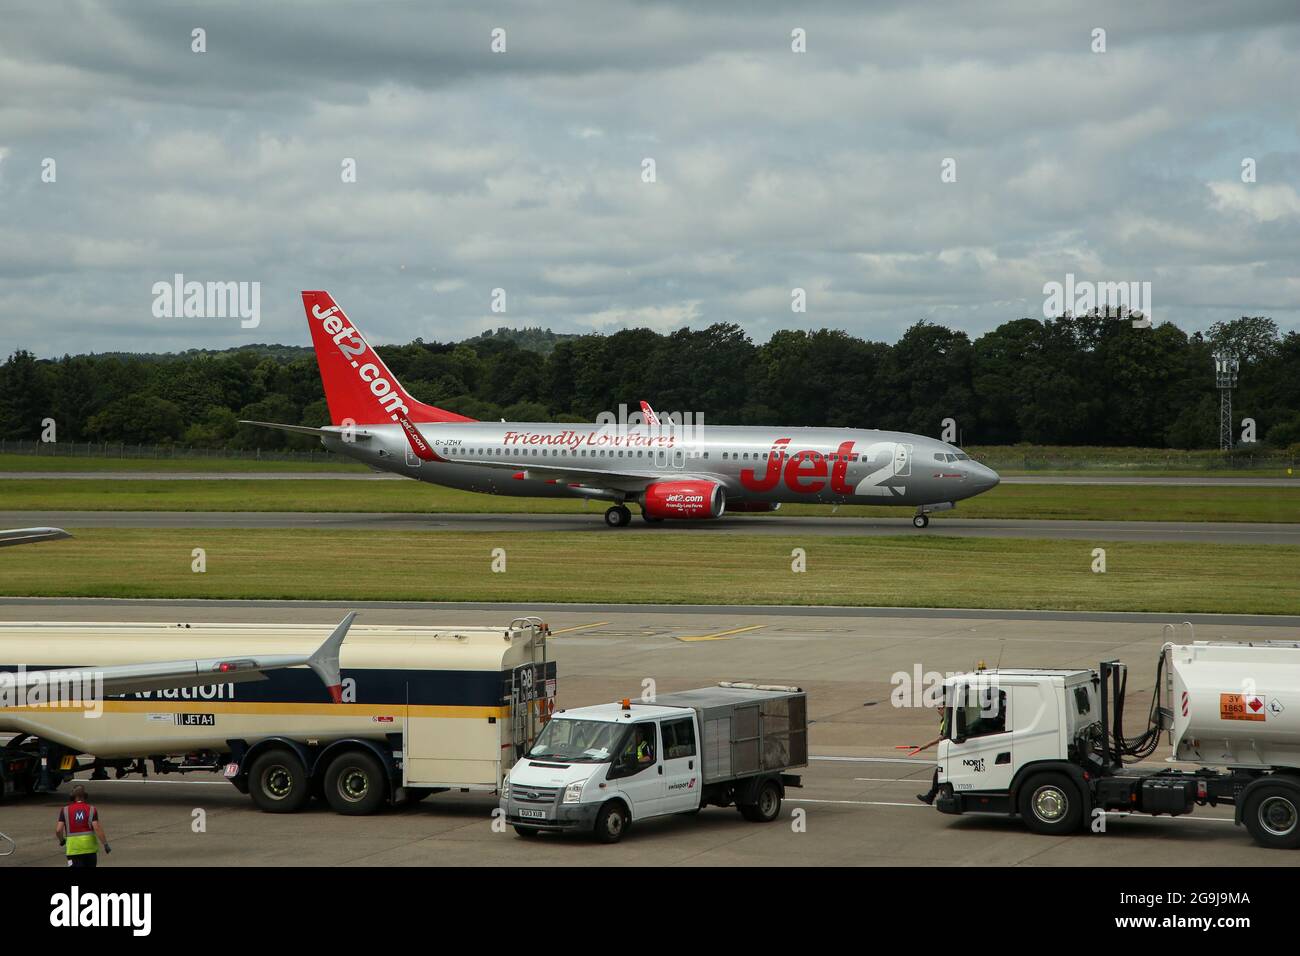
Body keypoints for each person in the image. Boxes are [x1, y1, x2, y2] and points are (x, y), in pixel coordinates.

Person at [55, 784, 111, 867]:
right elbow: (97, 828)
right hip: (90, 849)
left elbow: (58, 830)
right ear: (85, 796)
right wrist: (105, 844)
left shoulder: (65, 810)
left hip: (73, 849)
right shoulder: (91, 809)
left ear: (72, 797)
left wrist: (62, 840)